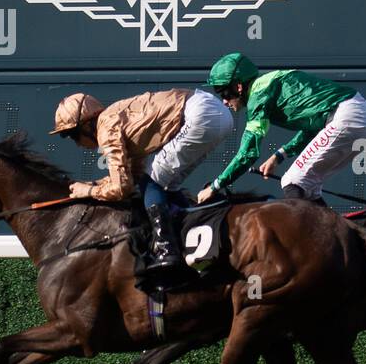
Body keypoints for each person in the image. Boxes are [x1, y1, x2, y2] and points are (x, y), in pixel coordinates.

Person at [50, 88, 234, 273]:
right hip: (217, 114)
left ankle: (166, 249)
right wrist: (96, 185)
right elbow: (133, 177)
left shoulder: (105, 127)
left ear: (87, 125)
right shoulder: (118, 118)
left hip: (199, 114)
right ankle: (199, 235)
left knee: (152, 183)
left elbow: (121, 188)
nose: (77, 143)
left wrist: (87, 191)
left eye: (74, 134)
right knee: (166, 185)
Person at [198, 52, 366, 206]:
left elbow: (248, 154)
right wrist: (279, 156)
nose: (223, 101)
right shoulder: (269, 84)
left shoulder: (258, 96)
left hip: (347, 116)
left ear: (238, 86)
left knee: (292, 181)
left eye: (223, 93)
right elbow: (314, 125)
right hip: (363, 115)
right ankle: (331, 231)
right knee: (309, 187)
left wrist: (215, 186)